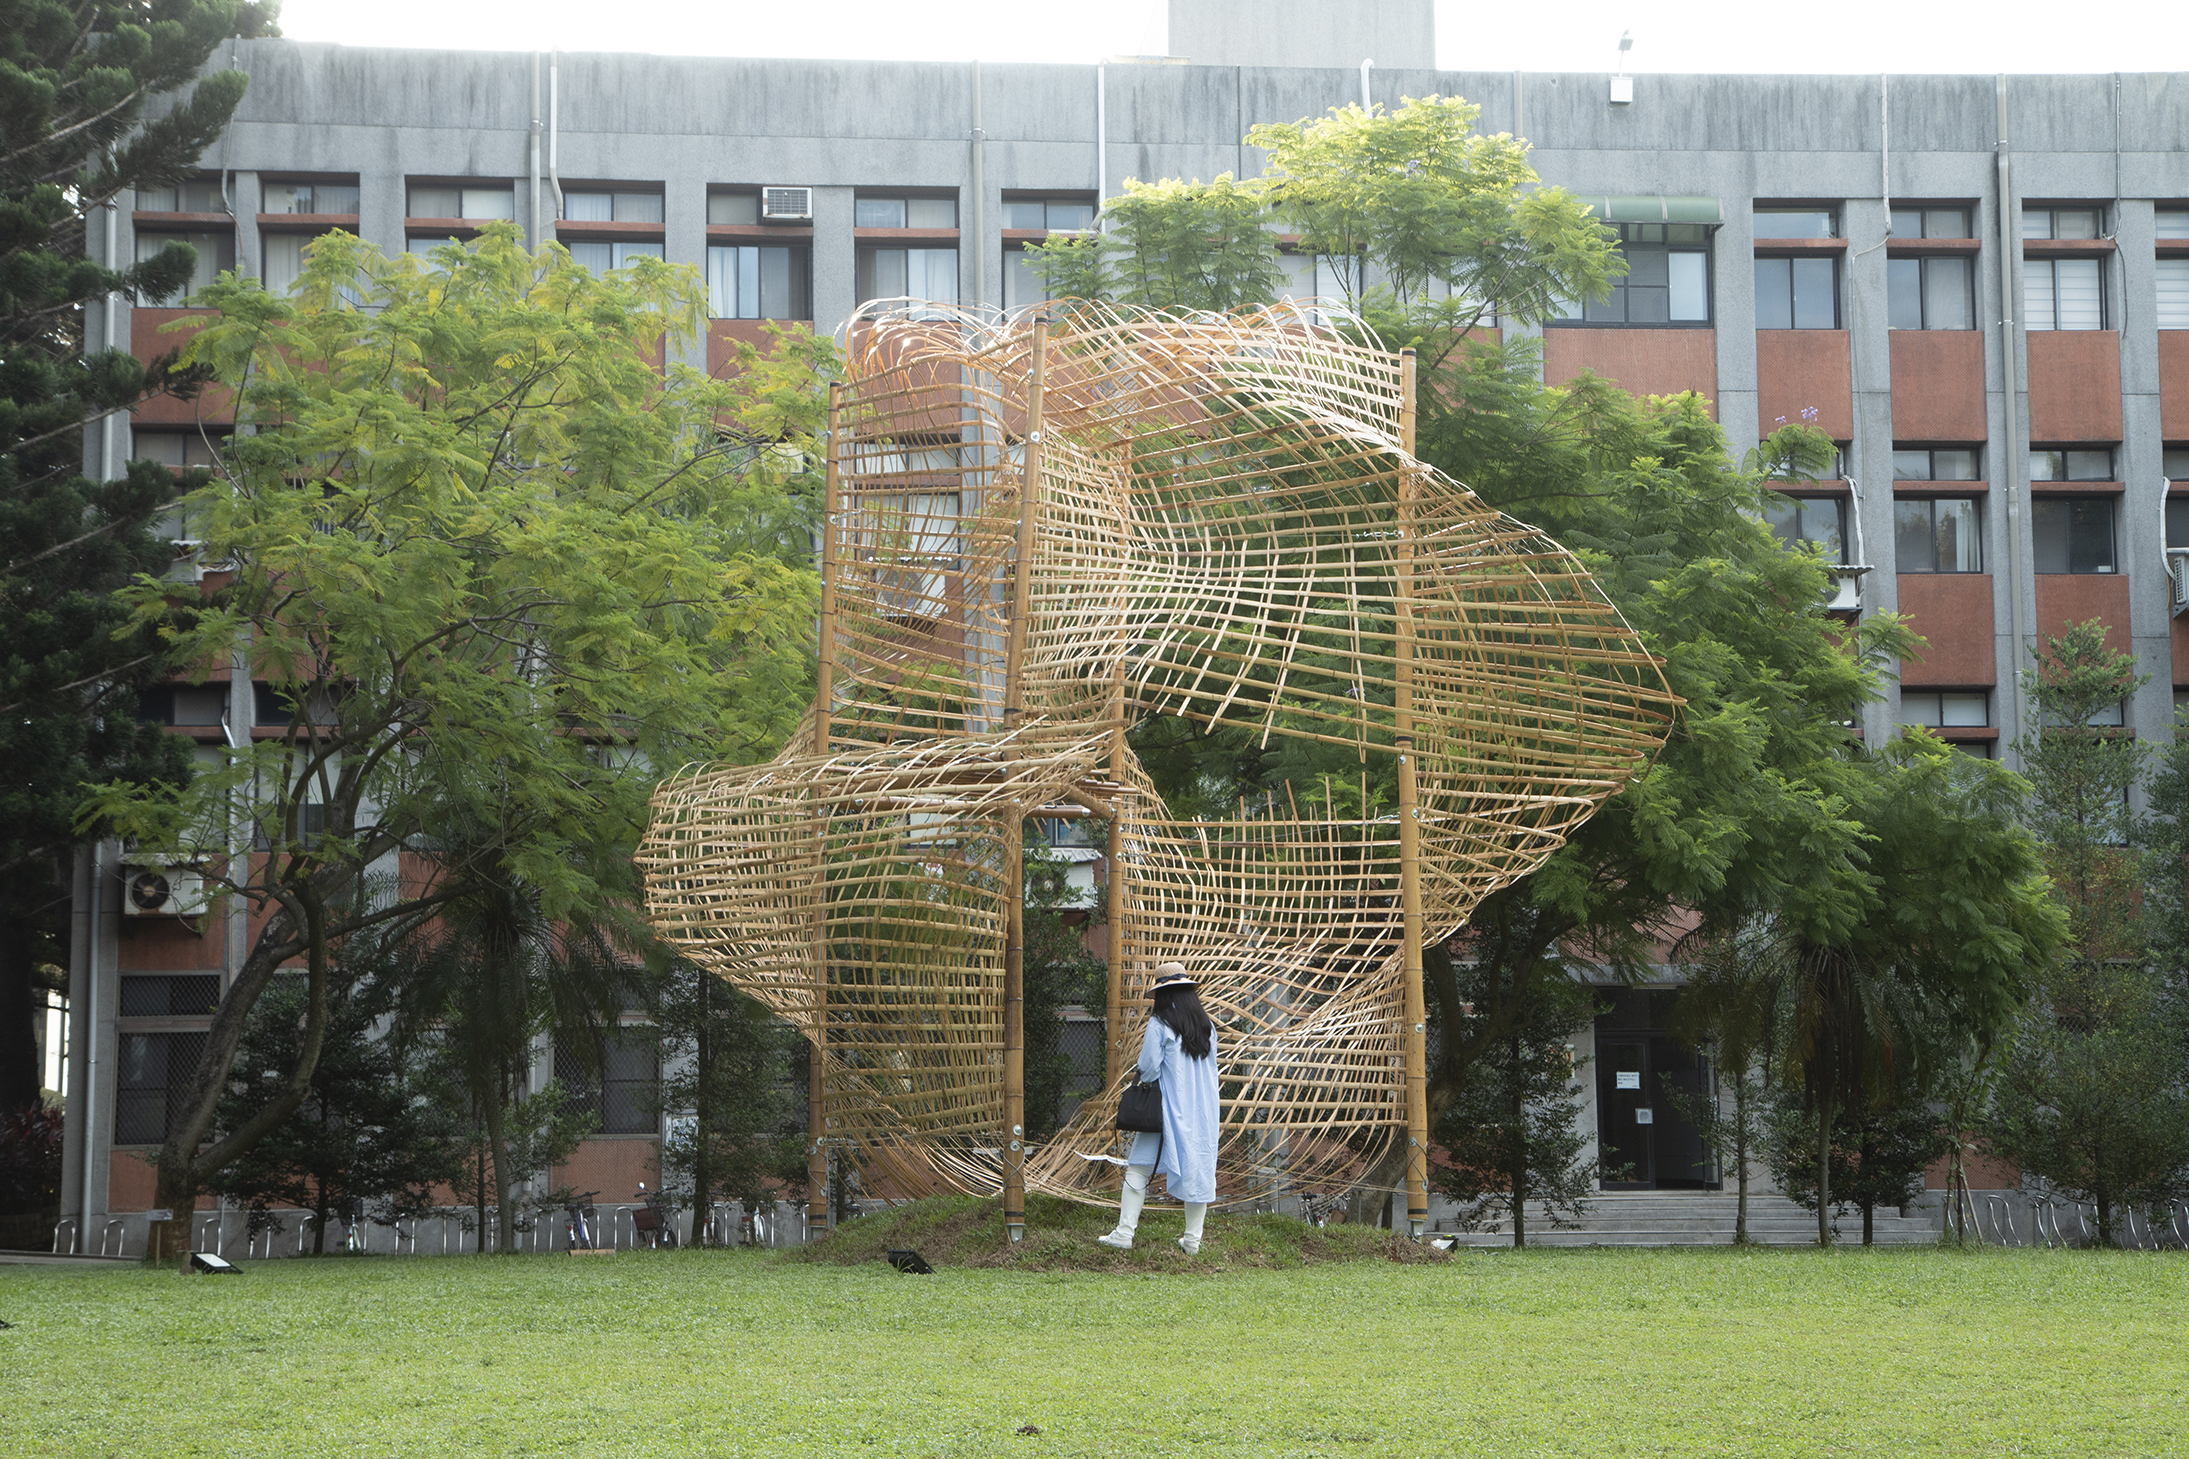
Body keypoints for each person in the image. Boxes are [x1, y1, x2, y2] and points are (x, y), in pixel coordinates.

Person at [1098, 964, 1220, 1254]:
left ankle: (1124, 1233)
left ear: (1162, 994)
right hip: (1202, 1109)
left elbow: (1149, 1069)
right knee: (1198, 1168)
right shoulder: (1206, 1026)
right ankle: (1192, 1241)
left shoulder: (1160, 1024)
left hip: (1166, 1108)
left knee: (1139, 1167)